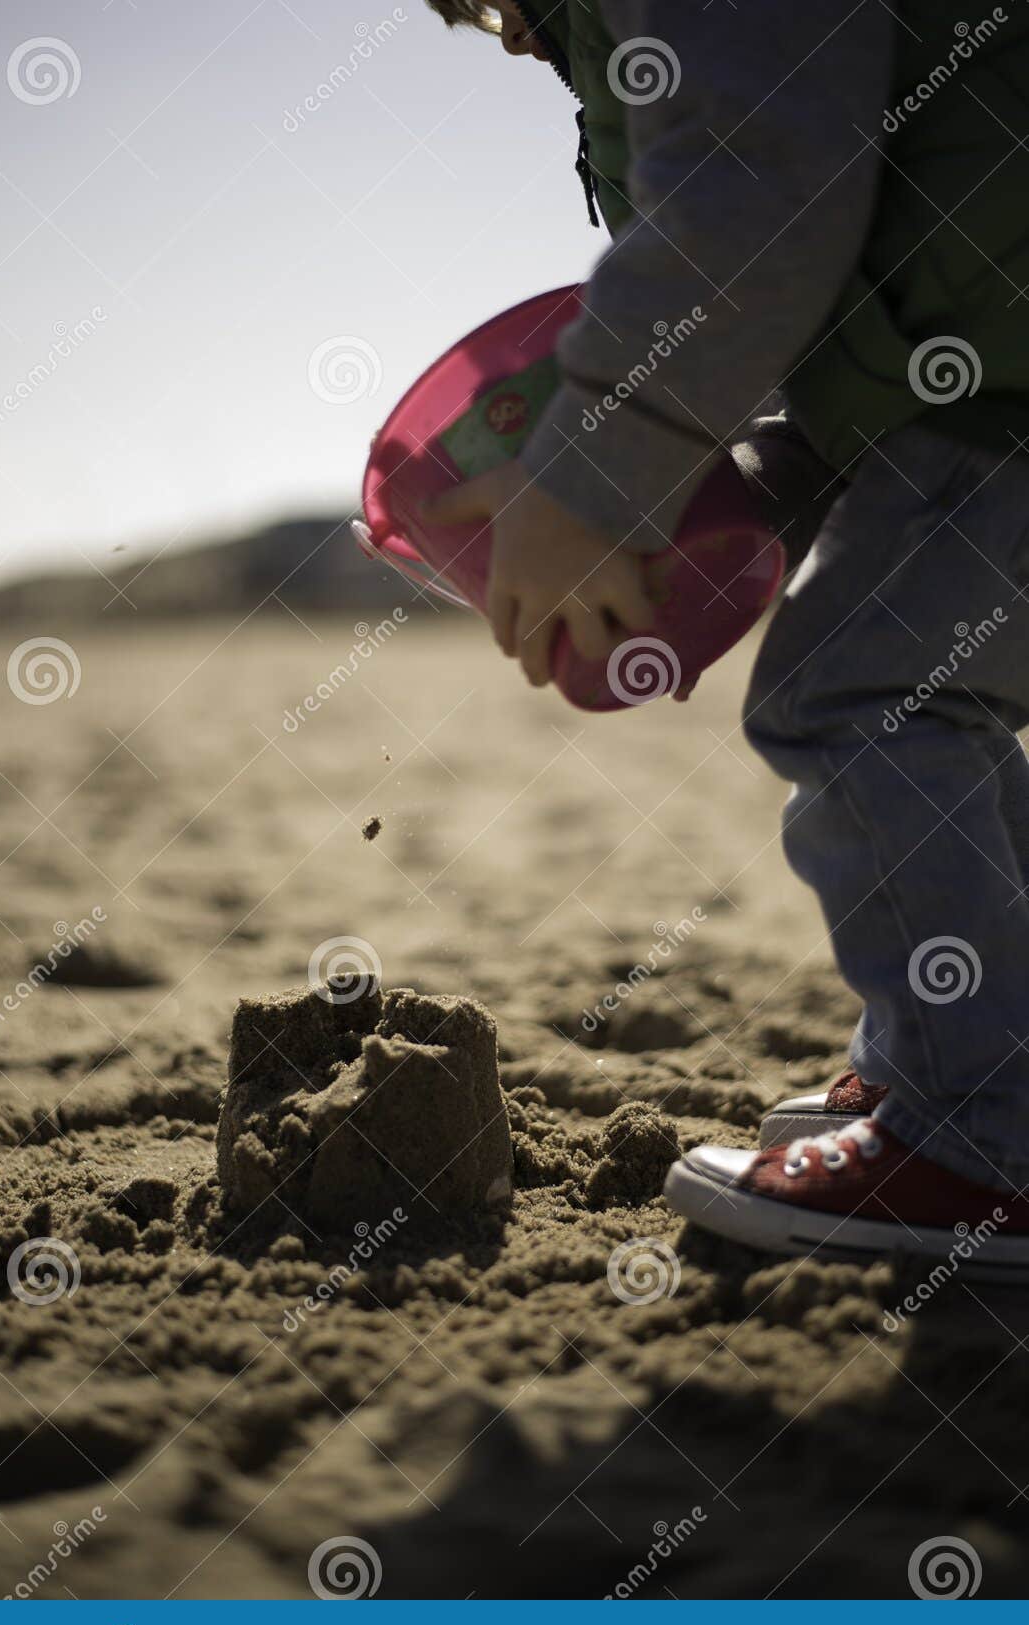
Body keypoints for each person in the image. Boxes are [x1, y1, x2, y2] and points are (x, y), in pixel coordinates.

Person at [424, 2, 1029, 1275]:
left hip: (1003, 375)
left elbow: (756, 186)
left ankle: (987, 1140)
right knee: (931, 698)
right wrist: (743, 485)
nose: (511, 39)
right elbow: (868, 233)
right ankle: (974, 1059)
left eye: (490, 4)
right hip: (979, 372)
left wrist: (595, 470)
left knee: (864, 697)